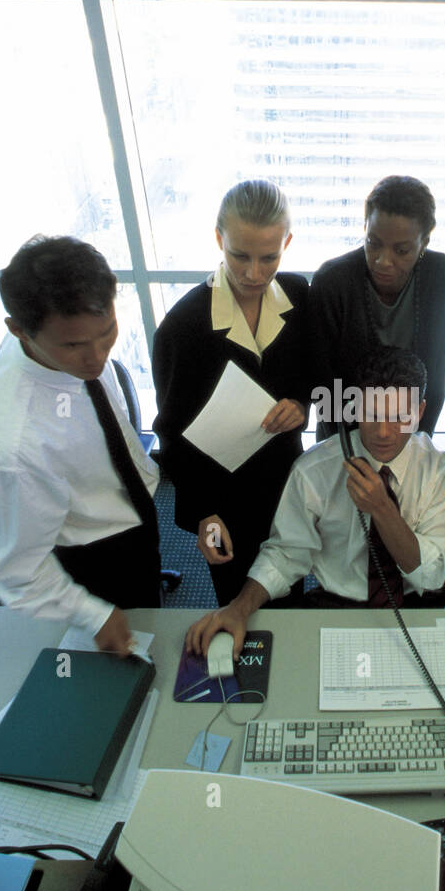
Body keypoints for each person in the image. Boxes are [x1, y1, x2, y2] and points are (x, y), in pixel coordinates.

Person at [185, 347, 445, 658]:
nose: (385, 432)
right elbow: (286, 554)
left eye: (399, 417)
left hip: (415, 603)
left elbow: (430, 575)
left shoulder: (442, 472)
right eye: (372, 414)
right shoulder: (314, 468)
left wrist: (383, 510)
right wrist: (239, 607)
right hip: (335, 603)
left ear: (420, 411)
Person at [0, 236, 160, 657]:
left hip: (132, 512)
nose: (97, 358)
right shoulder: (7, 446)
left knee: (150, 611)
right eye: (73, 345)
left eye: (106, 334)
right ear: (19, 330)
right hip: (92, 556)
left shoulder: (75, 342)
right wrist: (93, 614)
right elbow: (14, 568)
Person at [152, 180, 310, 605]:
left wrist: (300, 405)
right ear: (219, 238)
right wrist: (202, 514)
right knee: (238, 597)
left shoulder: (299, 298)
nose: (253, 273)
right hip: (222, 496)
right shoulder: (182, 328)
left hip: (285, 479)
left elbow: (312, 376)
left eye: (269, 257)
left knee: (291, 582)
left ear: (287, 243)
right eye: (239, 255)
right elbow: (171, 434)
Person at [308, 175, 445, 438]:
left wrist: (414, 445)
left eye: (401, 251)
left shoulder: (443, 278)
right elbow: (323, 382)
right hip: (342, 436)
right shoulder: (332, 281)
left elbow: (437, 378)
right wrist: (349, 451)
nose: (383, 261)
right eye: (373, 243)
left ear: (424, 242)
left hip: (407, 436)